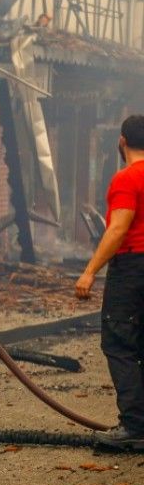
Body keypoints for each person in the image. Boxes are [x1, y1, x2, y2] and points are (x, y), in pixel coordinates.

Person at [75, 115, 144, 450]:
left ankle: (133, 427)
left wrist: (90, 271)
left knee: (119, 342)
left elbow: (118, 228)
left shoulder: (127, 178)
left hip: (132, 268)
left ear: (121, 141)